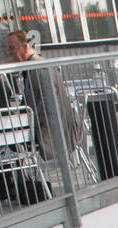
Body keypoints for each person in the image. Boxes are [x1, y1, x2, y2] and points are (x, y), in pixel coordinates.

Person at [6, 30, 77, 164]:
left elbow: (46, 104)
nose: (9, 52)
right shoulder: (36, 65)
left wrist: (26, 121)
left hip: (51, 131)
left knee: (7, 139)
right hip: (53, 126)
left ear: (24, 46)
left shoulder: (39, 68)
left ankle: (18, 181)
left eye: (12, 48)